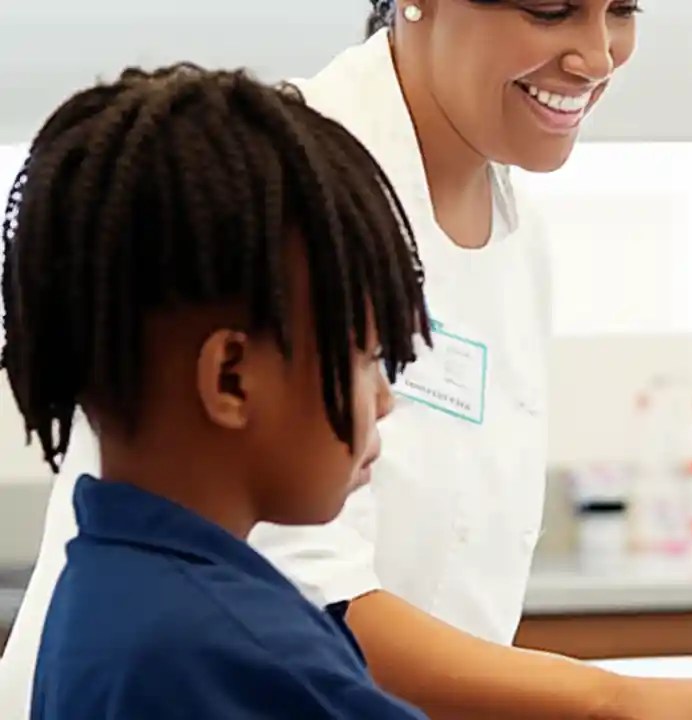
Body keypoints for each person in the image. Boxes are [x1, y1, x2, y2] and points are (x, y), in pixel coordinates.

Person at [0, 2, 692, 718]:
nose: (598, 53)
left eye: (622, 8)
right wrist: (617, 701)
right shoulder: (285, 190)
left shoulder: (516, 221)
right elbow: (309, 597)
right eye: (547, 9)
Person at [3, 64, 432, 719]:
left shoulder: (101, 591)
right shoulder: (247, 657)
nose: (383, 401)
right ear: (232, 378)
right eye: (369, 358)